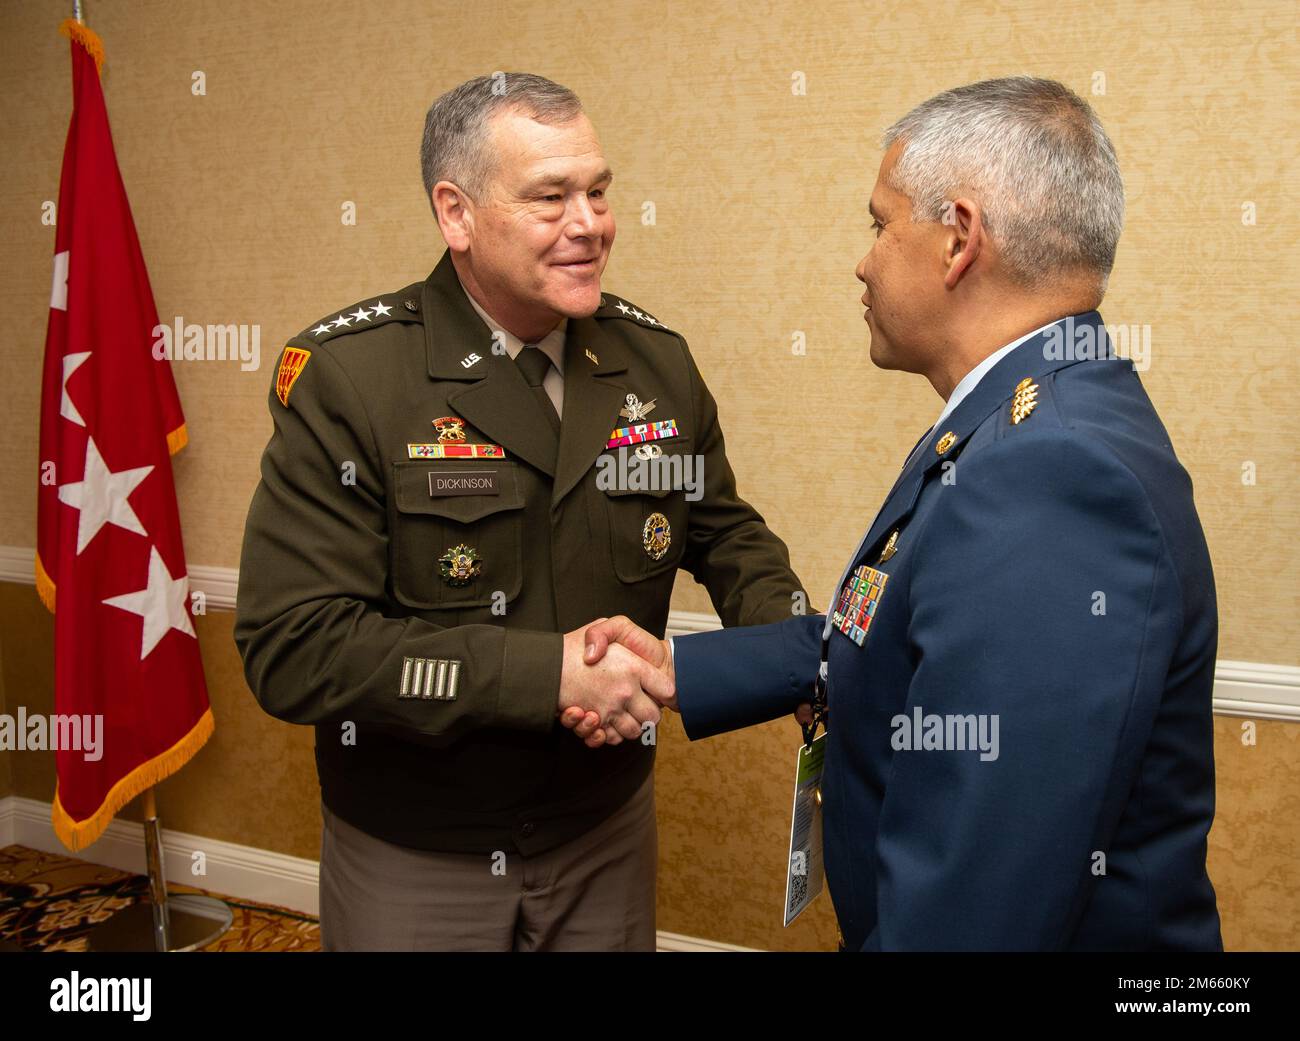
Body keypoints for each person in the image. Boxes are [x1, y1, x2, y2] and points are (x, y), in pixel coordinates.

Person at [567, 76, 1223, 951]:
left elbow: (978, 902)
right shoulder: (1019, 415)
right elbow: (888, 627)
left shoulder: (1048, 470)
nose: (864, 260)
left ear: (958, 239)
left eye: (880, 224)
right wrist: (682, 670)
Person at [234, 72, 806, 951]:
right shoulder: (351, 378)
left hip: (603, 830)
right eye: (550, 197)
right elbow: (295, 644)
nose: (590, 224)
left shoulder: (652, 362)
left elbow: (725, 532)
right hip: (422, 853)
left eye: (599, 191)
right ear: (456, 214)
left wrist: (789, 654)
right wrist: (550, 678)